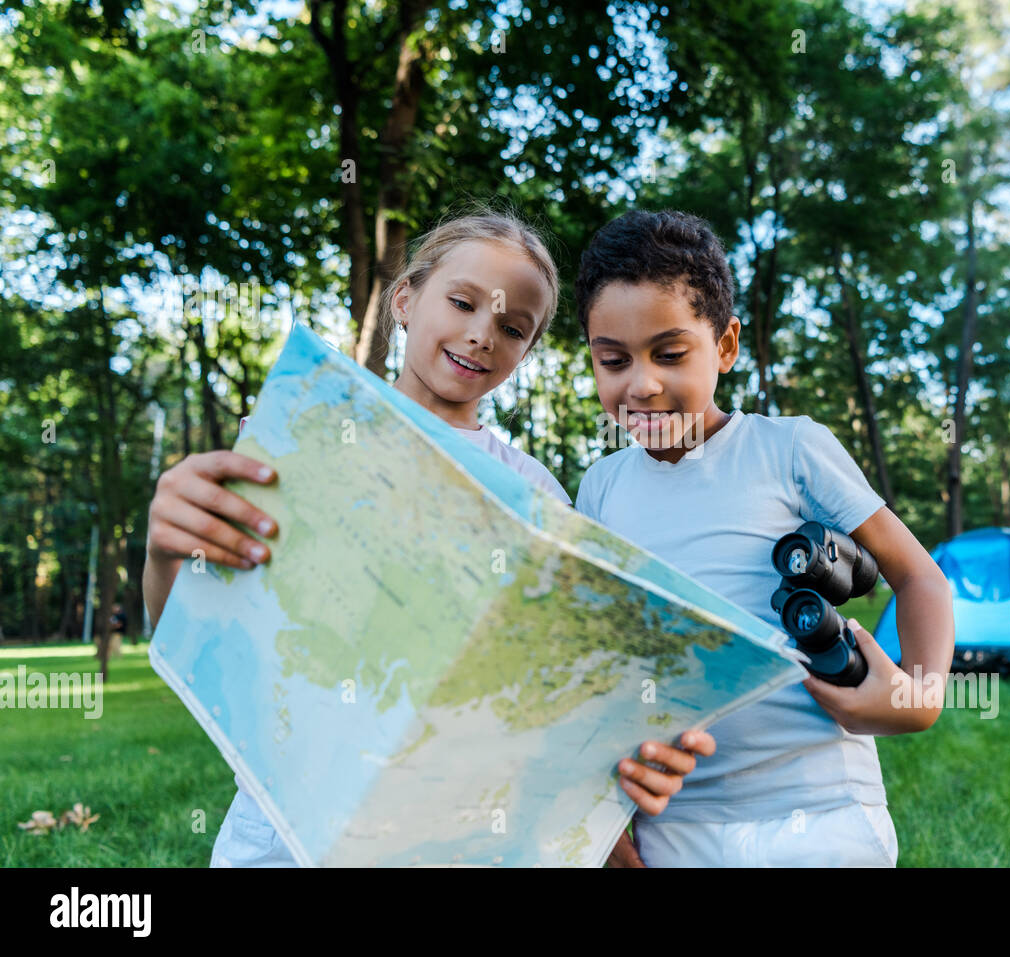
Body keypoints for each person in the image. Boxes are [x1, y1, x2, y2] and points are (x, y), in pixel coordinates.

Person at [142, 206, 714, 867]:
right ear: (406, 299)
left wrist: (625, 760)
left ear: (526, 351)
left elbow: (564, 693)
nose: (481, 336)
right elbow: (194, 637)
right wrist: (164, 549)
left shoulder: (538, 496)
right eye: (463, 302)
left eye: (511, 327)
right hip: (281, 831)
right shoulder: (305, 436)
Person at [573, 209, 955, 867]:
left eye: (670, 353)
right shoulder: (601, 488)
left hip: (826, 809)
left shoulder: (789, 448)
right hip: (682, 822)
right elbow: (594, 661)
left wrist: (919, 696)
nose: (641, 384)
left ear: (724, 345)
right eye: (614, 360)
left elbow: (919, 576)